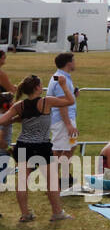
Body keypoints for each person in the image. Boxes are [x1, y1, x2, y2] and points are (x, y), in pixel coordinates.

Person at [0, 74, 76, 221]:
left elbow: (3, 120)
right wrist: (63, 85)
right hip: (41, 146)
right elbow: (70, 100)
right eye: (41, 85)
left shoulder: (19, 105)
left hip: (23, 146)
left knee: (22, 181)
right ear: (36, 88)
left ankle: (25, 214)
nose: (42, 87)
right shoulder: (46, 102)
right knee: (51, 181)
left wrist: (15, 119)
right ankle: (57, 213)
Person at [47, 52, 78, 189]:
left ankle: (64, 177)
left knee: (71, 146)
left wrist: (73, 95)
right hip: (62, 121)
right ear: (68, 63)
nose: (75, 63)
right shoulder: (60, 79)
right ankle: (55, 181)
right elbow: (61, 103)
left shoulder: (62, 77)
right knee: (60, 150)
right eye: (74, 60)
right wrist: (68, 124)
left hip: (66, 120)